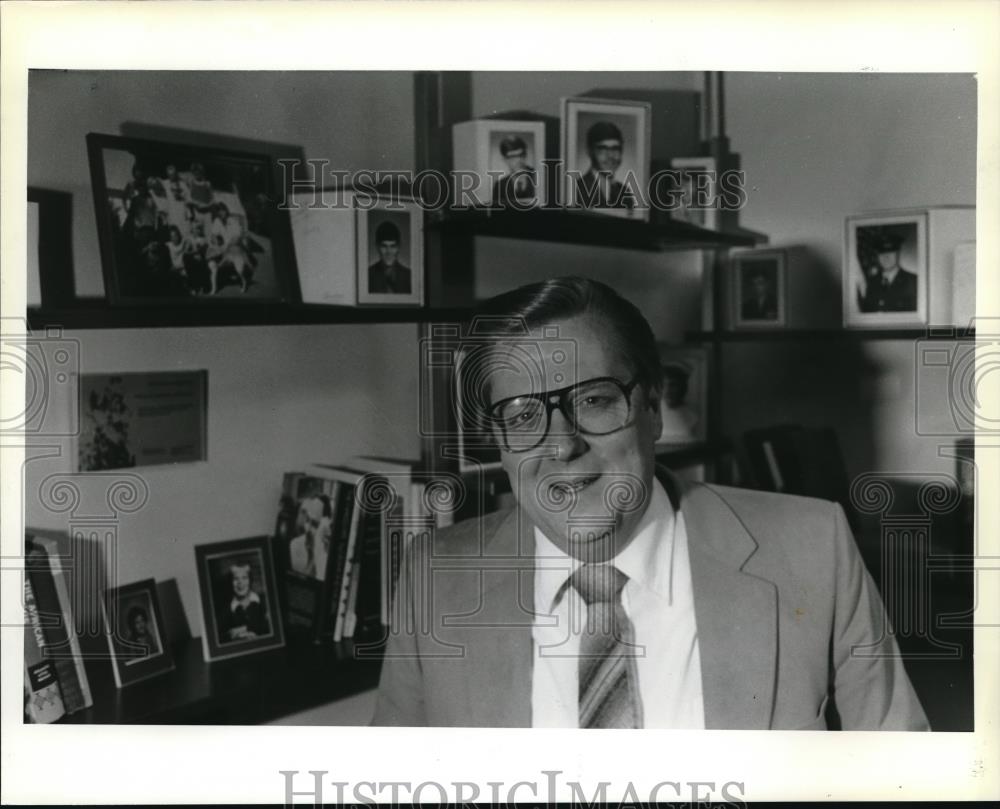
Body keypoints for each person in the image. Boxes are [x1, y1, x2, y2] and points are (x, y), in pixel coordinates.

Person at [373, 276, 928, 730]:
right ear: (499, 442)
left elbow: (903, 776)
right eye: (522, 416)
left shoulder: (812, 548)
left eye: (594, 400)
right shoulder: (435, 578)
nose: (562, 444)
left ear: (655, 408)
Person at [575, 121, 635, 213]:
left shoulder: (625, 192)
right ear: (589, 151)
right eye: (603, 149)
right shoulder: (577, 190)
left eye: (615, 148)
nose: (610, 156)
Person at [857, 231, 918, 312]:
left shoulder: (913, 281)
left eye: (890, 252)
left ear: (898, 253)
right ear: (877, 256)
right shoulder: (871, 283)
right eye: (882, 252)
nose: (886, 256)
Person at [220, 561, 270, 642]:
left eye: (244, 577)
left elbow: (271, 625)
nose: (240, 582)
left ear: (250, 580)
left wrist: (244, 628)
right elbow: (220, 637)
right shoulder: (226, 609)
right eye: (236, 578)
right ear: (230, 582)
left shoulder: (265, 601)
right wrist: (235, 637)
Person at [657, 364, 699, 443]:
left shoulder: (693, 415)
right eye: (663, 385)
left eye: (672, 385)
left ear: (682, 387)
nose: (667, 391)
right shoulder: (651, 413)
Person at [368, 220, 412, 294]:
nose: (389, 252)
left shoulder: (409, 276)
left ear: (399, 247)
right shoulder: (368, 276)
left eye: (393, 246)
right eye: (384, 246)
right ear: (377, 246)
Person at [491, 134, 536, 206]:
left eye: (521, 155)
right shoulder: (500, 186)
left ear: (526, 154)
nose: (519, 160)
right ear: (505, 160)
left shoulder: (539, 177)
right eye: (513, 157)